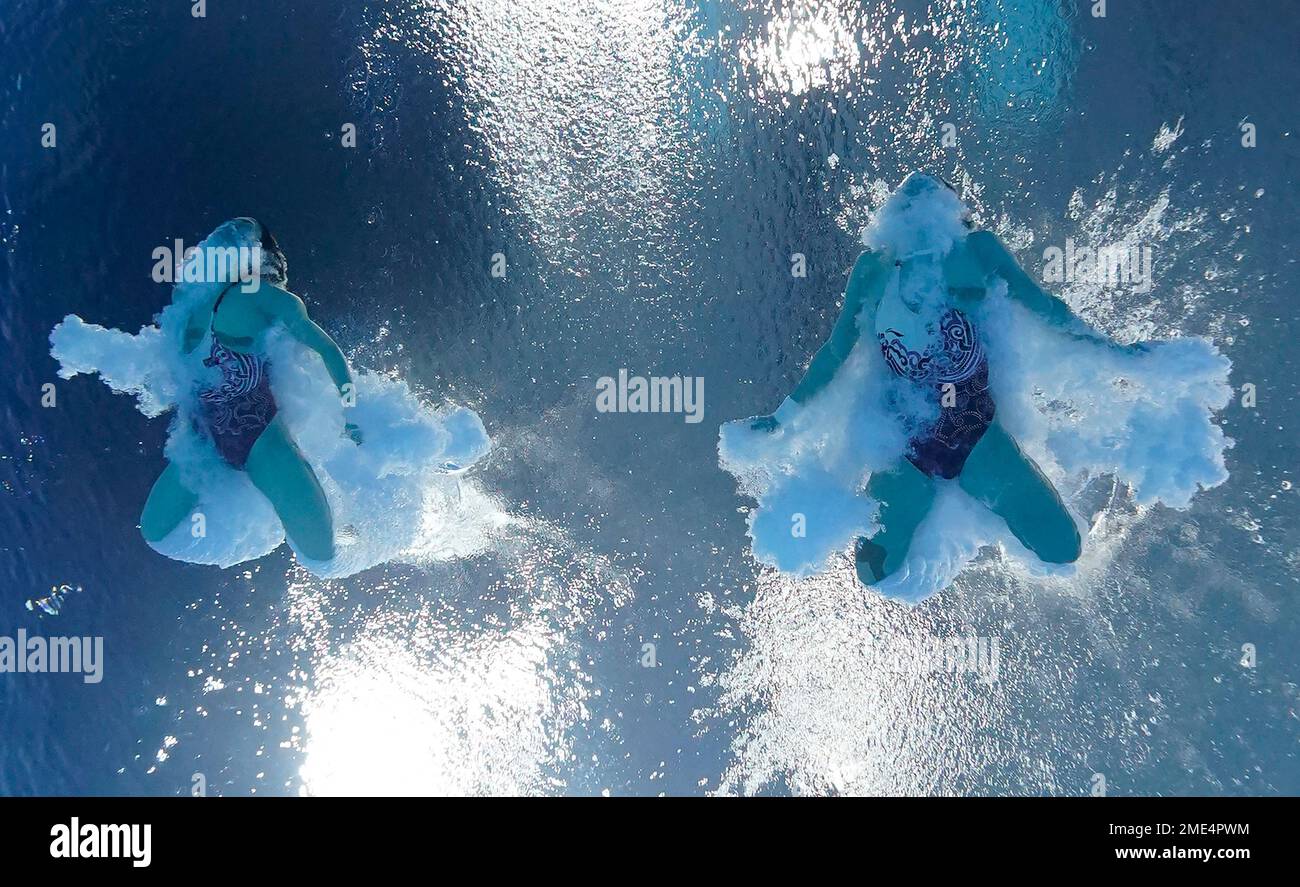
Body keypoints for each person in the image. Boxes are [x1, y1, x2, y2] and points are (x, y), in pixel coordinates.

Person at [750, 173, 1138, 584]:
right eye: (906, 201)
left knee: (1062, 548)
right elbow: (835, 351)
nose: (916, 203)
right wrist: (782, 416)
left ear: (951, 213)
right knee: (872, 573)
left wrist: (1113, 349)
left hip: (976, 434)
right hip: (906, 442)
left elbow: (1043, 307)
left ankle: (970, 522)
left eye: (928, 199)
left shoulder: (977, 250)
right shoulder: (872, 269)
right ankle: (928, 528)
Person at [139, 218, 359, 562]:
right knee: (320, 553)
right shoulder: (267, 299)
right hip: (230, 443)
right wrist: (350, 409)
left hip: (235, 443)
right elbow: (327, 349)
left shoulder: (184, 305)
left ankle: (340, 519)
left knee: (155, 531)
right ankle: (297, 519)